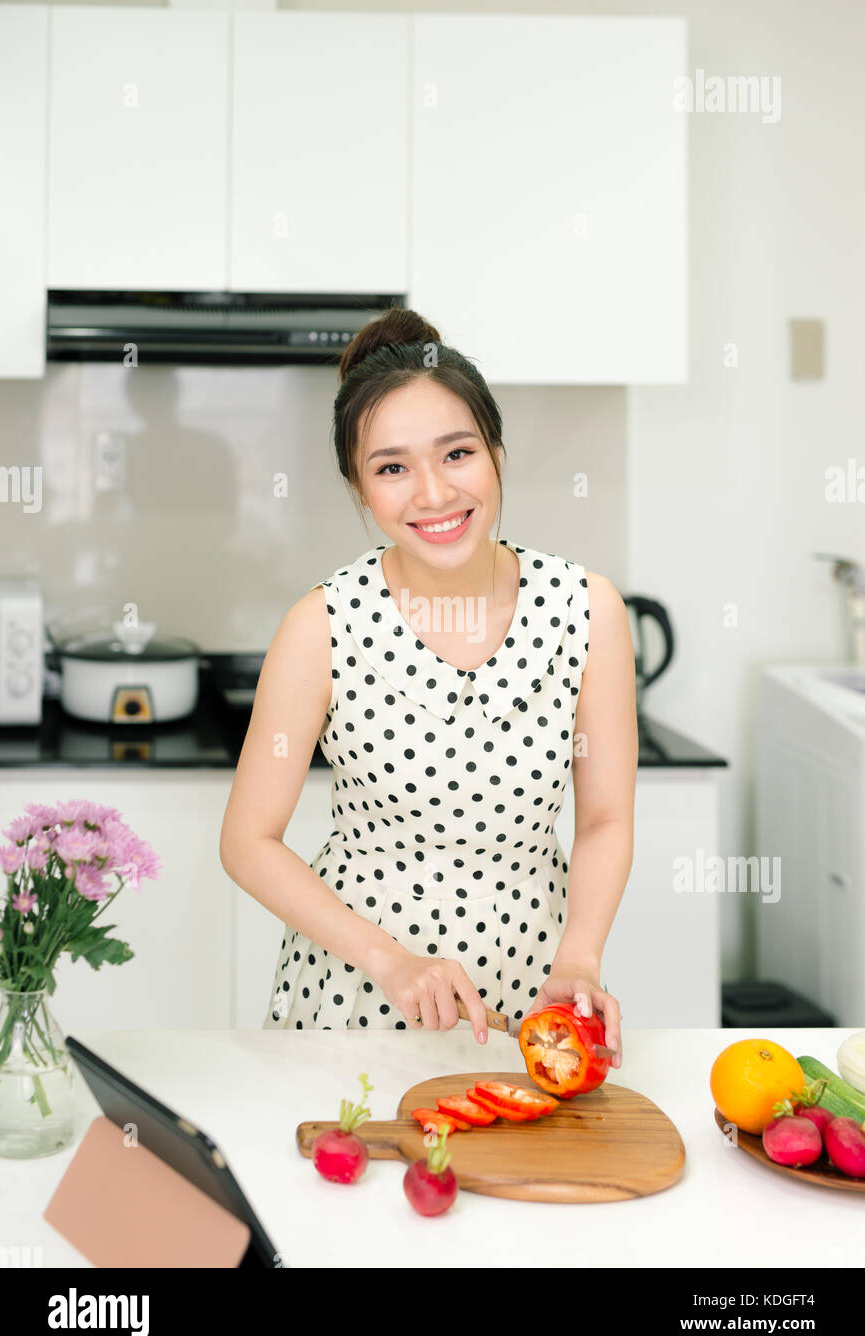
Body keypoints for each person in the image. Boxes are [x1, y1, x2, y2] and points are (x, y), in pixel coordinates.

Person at [219, 308, 637, 1067]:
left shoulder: (587, 610)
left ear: (496, 452)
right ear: (359, 490)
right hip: (356, 996)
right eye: (391, 467)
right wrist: (389, 962)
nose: (434, 493)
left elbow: (604, 818)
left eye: (457, 453)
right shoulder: (321, 625)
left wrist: (577, 961)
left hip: (531, 993)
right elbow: (247, 843)